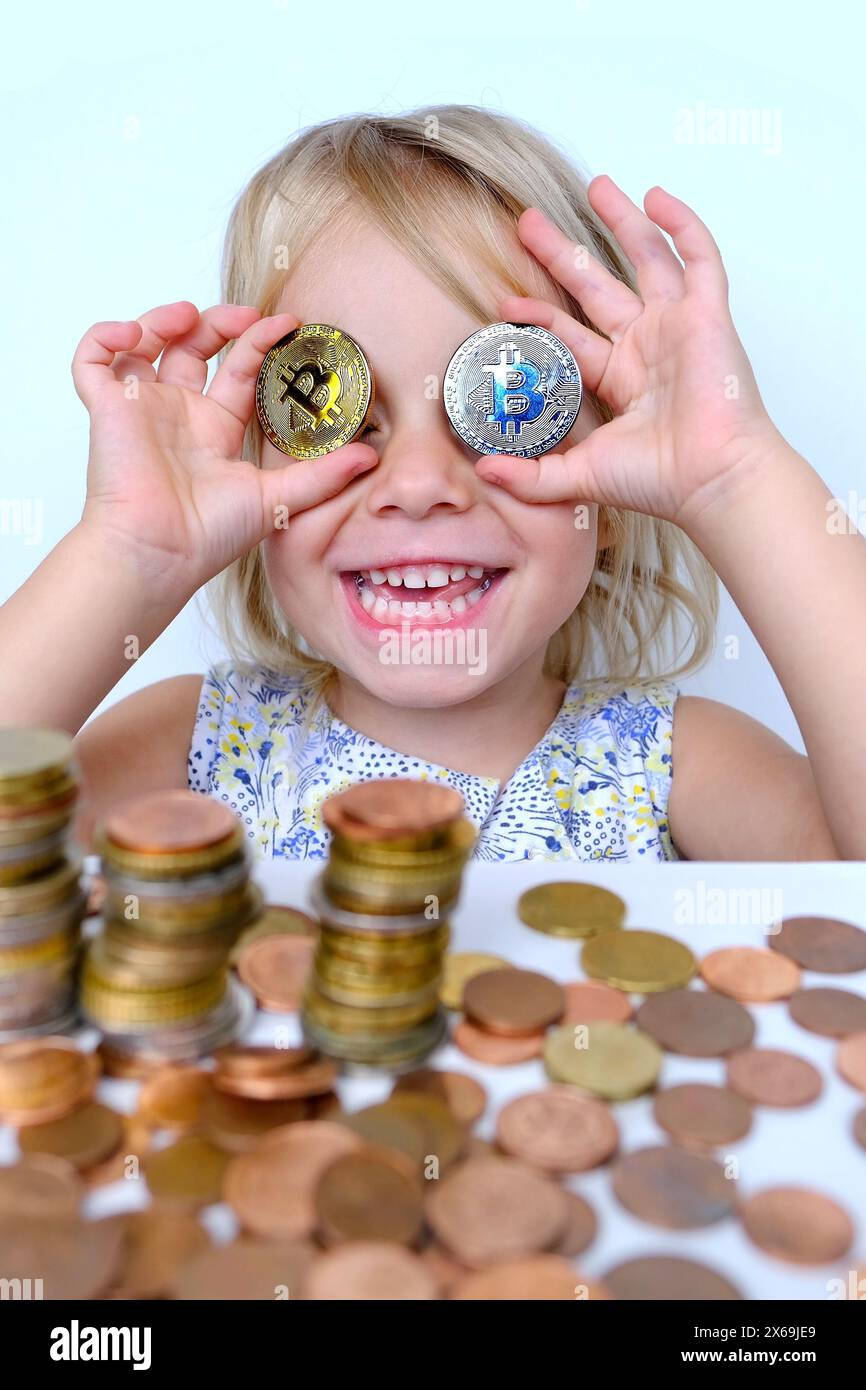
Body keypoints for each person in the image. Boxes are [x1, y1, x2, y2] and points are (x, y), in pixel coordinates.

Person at [1, 106, 861, 862]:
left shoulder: (669, 760)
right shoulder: (198, 741)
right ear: (253, 493)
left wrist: (736, 477)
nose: (416, 485)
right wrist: (129, 551)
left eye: (502, 412)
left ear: (612, 498)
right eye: (342, 420)